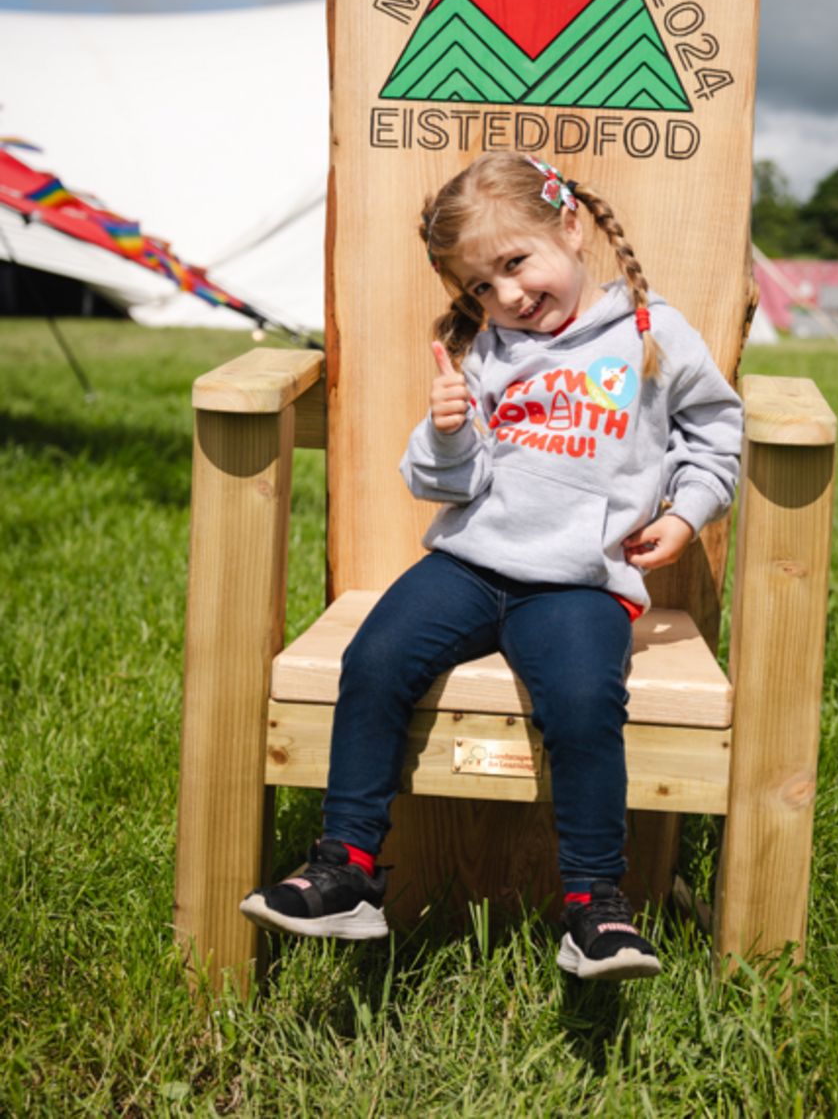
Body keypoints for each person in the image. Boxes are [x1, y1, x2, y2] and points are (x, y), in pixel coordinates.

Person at [241, 151, 742, 980]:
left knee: (584, 704)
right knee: (374, 661)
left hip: (579, 584)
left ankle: (595, 908)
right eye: (481, 286)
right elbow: (446, 483)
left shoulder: (655, 335)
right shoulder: (485, 351)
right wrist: (444, 430)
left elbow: (716, 435)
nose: (507, 295)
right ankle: (347, 870)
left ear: (571, 228)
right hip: (470, 566)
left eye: (516, 263)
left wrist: (687, 513)